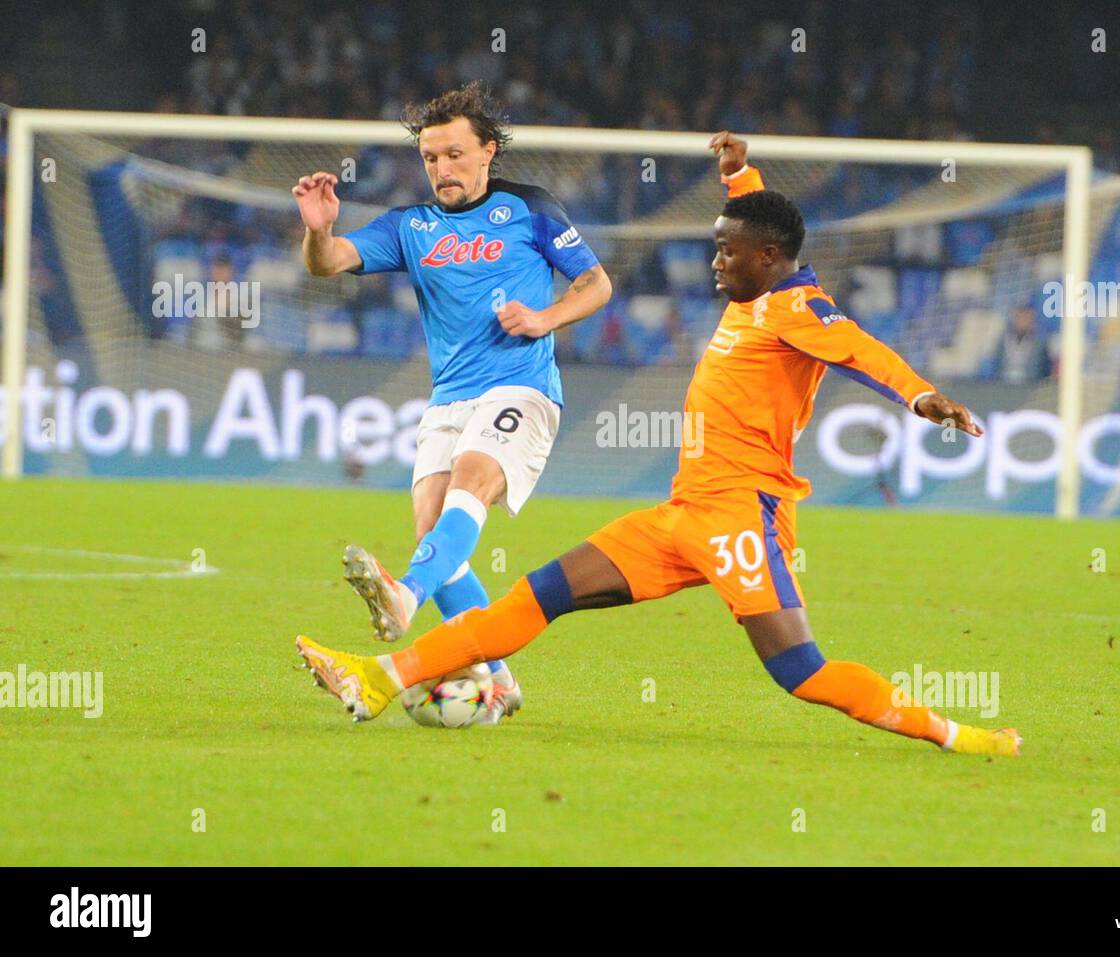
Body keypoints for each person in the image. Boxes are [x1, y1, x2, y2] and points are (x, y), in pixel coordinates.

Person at [297, 131, 1019, 756]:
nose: (714, 263)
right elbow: (766, 225)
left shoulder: (799, 309)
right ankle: (379, 677)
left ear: (765, 257)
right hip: (683, 514)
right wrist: (740, 177)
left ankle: (958, 734)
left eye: (724, 251)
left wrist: (921, 396)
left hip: (741, 516)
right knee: (537, 595)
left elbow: (861, 350)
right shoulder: (764, 283)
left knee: (802, 671)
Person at [292, 82, 612, 722]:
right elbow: (328, 264)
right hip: (449, 399)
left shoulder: (531, 209)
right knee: (433, 530)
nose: (442, 169)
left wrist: (547, 318)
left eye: (455, 155)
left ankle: (406, 598)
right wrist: (318, 231)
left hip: (523, 388)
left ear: (488, 151)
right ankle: (497, 678)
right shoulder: (410, 227)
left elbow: (596, 283)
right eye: (432, 157)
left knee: (466, 489)